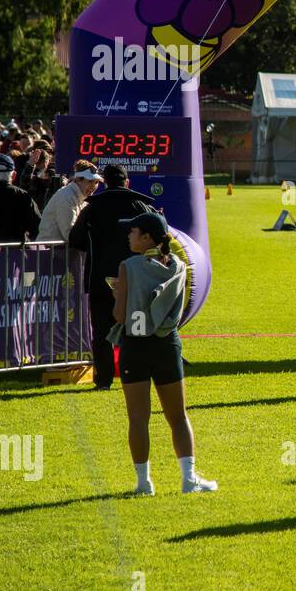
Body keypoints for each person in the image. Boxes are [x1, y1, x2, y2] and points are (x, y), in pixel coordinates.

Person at [108, 210, 215, 495]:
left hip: (135, 345)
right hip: (167, 344)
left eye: (133, 232)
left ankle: (144, 483)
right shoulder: (178, 264)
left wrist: (119, 293)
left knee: (138, 418)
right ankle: (188, 478)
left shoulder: (128, 266)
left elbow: (120, 316)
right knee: (178, 417)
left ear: (146, 238)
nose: (129, 235)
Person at [69, 165, 156, 391]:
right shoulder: (141, 206)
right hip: (136, 282)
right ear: (127, 182)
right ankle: (136, 375)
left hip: (100, 279)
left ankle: (104, 380)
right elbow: (160, 238)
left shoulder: (93, 208)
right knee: (136, 330)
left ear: (104, 182)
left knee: (102, 332)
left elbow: (75, 240)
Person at [36, 163, 103, 242]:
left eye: (96, 182)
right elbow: (70, 234)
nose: (93, 186)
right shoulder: (66, 197)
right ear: (78, 180)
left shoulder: (82, 198)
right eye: (90, 181)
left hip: (62, 251)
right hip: (51, 251)